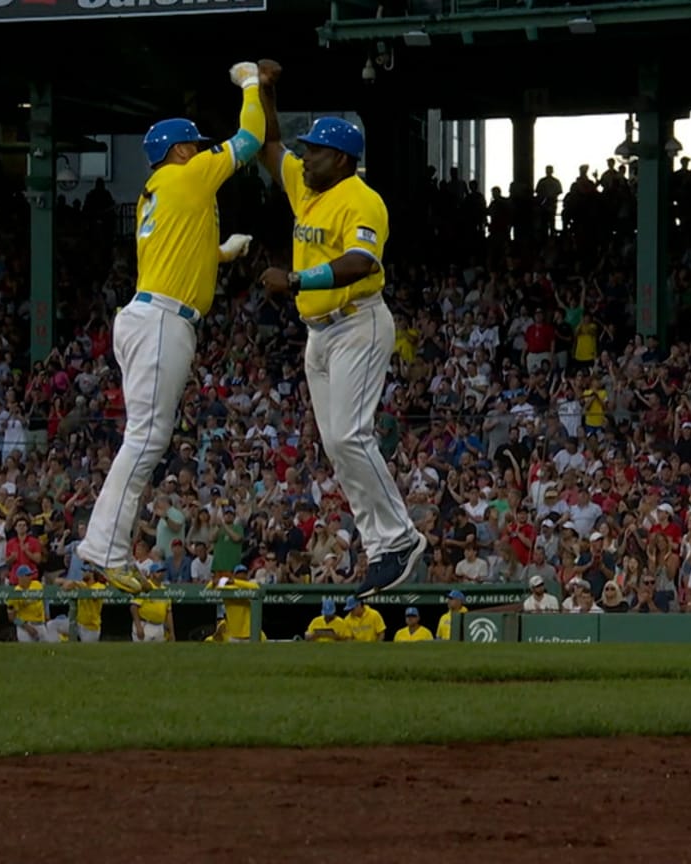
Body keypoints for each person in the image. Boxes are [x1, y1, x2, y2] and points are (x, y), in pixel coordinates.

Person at [75, 61, 265, 594]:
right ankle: (104, 548)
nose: (202, 149)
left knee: (145, 437)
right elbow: (251, 138)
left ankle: (105, 546)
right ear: (180, 150)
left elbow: (180, 254)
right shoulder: (187, 174)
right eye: (195, 144)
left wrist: (219, 254)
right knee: (147, 438)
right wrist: (250, 84)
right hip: (162, 320)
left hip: (148, 314)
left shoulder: (157, 191)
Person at [253, 58, 427, 600]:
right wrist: (266, 92)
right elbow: (269, 146)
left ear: (343, 159)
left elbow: (362, 263)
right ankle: (380, 548)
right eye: (307, 151)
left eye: (316, 152)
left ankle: (401, 539)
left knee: (352, 435)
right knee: (336, 443)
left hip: (358, 322)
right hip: (319, 333)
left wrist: (298, 278)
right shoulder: (308, 187)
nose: (305, 159)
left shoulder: (362, 199)